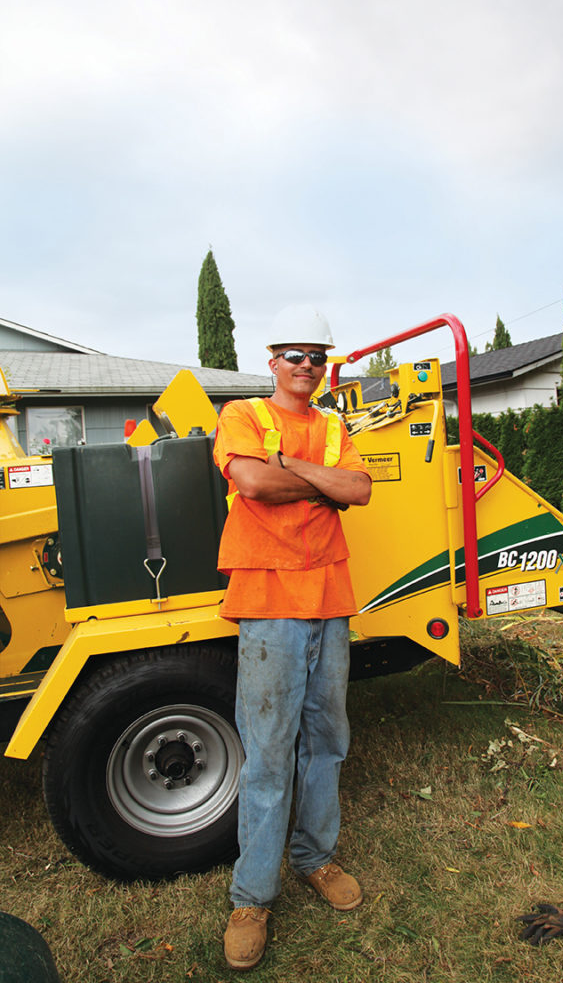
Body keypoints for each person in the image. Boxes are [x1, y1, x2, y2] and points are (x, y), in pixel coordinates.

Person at [213, 304, 372, 971]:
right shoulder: (244, 416)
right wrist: (315, 483)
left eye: (317, 356)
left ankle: (313, 858)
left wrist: (295, 469)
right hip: (269, 595)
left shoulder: (332, 426)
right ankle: (251, 897)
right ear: (272, 361)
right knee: (270, 748)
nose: (307, 366)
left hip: (327, 596)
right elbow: (250, 480)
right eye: (294, 355)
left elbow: (358, 489)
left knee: (326, 739)